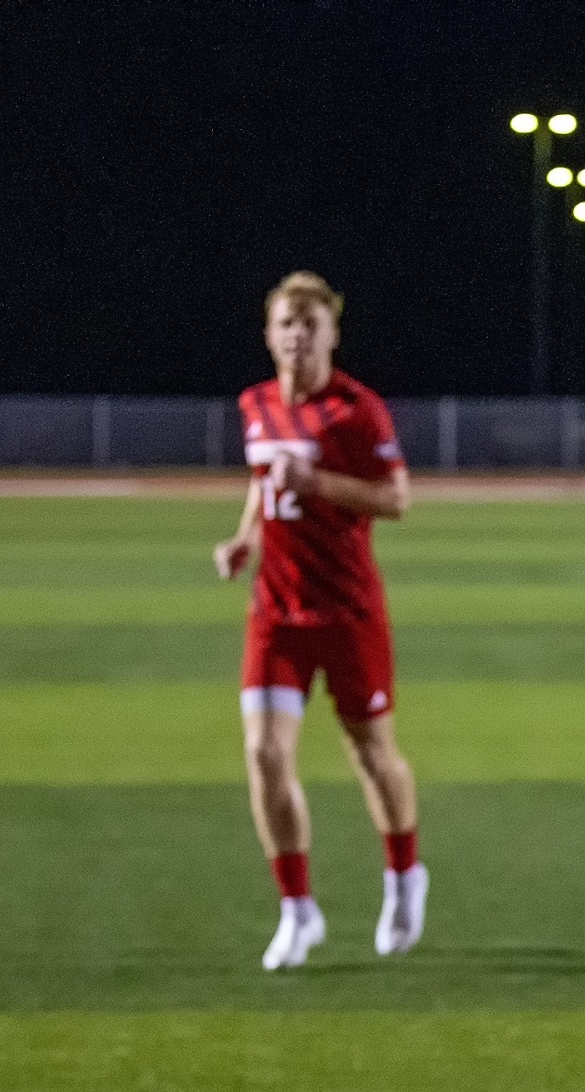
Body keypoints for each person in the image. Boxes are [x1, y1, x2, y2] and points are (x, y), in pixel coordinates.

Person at [213, 271, 424, 971]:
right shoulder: (254, 404)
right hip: (276, 612)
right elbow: (261, 482)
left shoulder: (357, 411)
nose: (298, 334)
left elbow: (396, 501)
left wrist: (321, 485)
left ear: (332, 332)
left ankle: (403, 876)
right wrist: (246, 536)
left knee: (372, 756)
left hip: (349, 609)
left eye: (310, 323)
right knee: (264, 755)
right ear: (269, 334)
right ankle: (297, 911)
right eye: (286, 323)